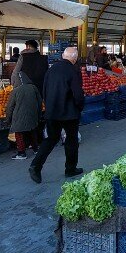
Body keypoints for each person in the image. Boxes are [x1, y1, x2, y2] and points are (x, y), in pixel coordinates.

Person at [28, 47, 84, 184]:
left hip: (52, 111)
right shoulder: (73, 70)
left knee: (51, 139)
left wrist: (48, 108)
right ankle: (70, 168)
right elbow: (78, 93)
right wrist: (80, 107)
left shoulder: (51, 69)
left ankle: (35, 166)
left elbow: (44, 89)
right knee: (71, 141)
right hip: (69, 113)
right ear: (75, 58)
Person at [5, 70, 42, 162]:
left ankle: (21, 153)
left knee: (19, 134)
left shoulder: (15, 91)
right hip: (32, 114)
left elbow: (10, 106)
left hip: (19, 116)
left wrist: (8, 119)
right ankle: (36, 149)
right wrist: (39, 114)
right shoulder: (33, 87)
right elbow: (40, 102)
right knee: (32, 131)